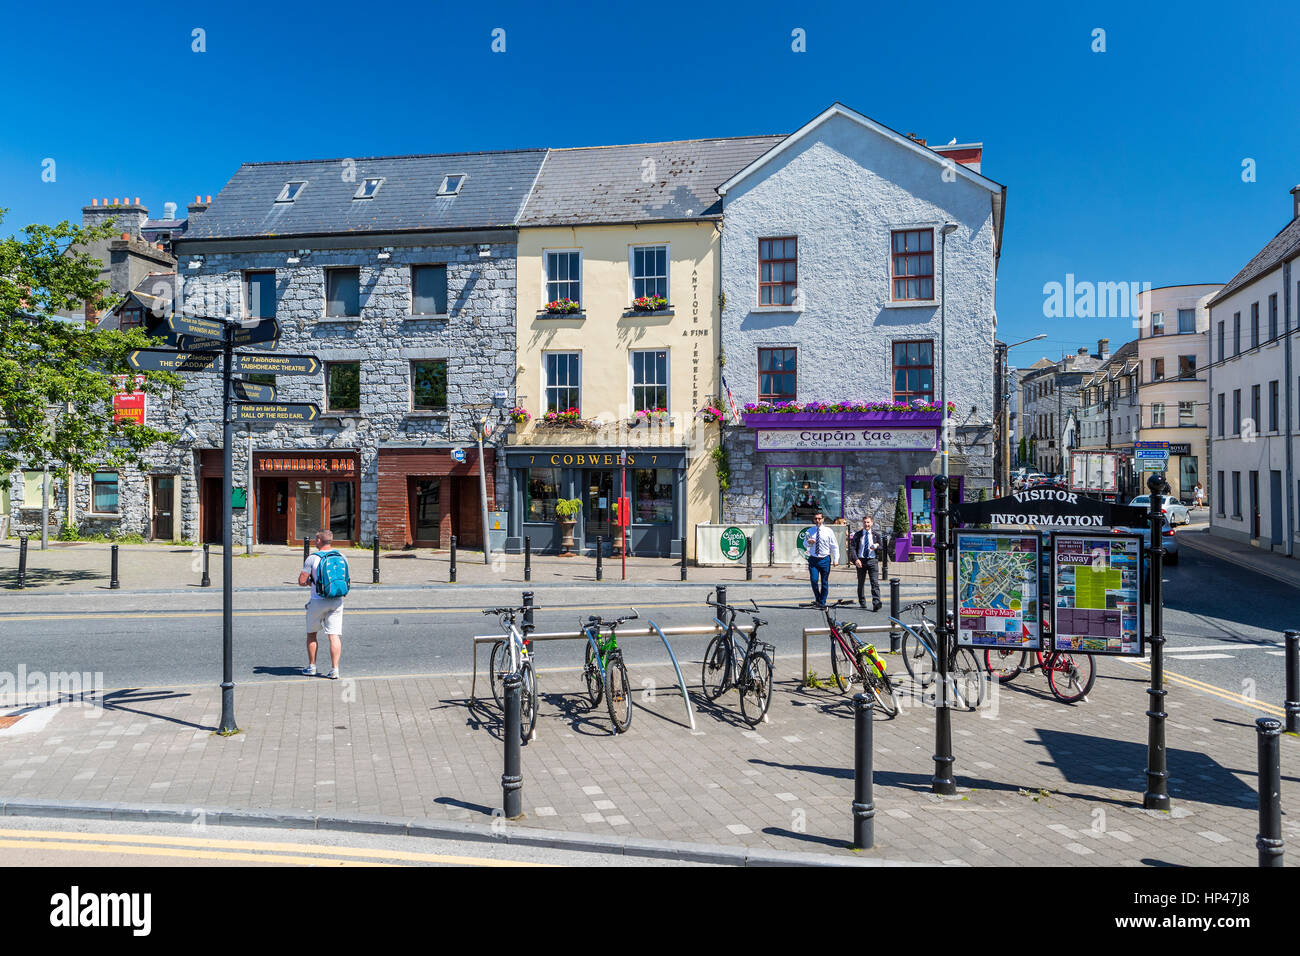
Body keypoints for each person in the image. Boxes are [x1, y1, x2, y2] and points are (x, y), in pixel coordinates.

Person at [299, 529, 346, 679]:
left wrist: (309, 582)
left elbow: (301, 581)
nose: (314, 541)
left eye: (315, 539)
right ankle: (335, 670)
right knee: (334, 635)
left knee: (312, 634)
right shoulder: (341, 556)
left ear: (319, 540)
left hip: (318, 600)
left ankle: (312, 666)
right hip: (336, 600)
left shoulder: (312, 558)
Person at [805, 511, 839, 607]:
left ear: (823, 519)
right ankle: (818, 598)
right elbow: (805, 544)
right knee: (814, 580)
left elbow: (834, 546)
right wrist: (809, 543)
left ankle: (822, 602)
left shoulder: (829, 531)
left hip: (825, 559)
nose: (817, 520)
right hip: (813, 560)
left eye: (819, 518)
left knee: (824, 582)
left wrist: (836, 559)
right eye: (816, 519)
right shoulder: (810, 531)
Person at [849, 515, 882, 611]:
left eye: (868, 522)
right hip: (861, 561)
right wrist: (856, 560)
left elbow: (881, 547)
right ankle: (862, 601)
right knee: (861, 582)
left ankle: (876, 602)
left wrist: (877, 546)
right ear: (862, 523)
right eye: (865, 522)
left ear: (872, 523)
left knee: (875, 583)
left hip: (872, 561)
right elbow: (852, 548)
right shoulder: (858, 535)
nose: (866, 524)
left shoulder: (876, 535)